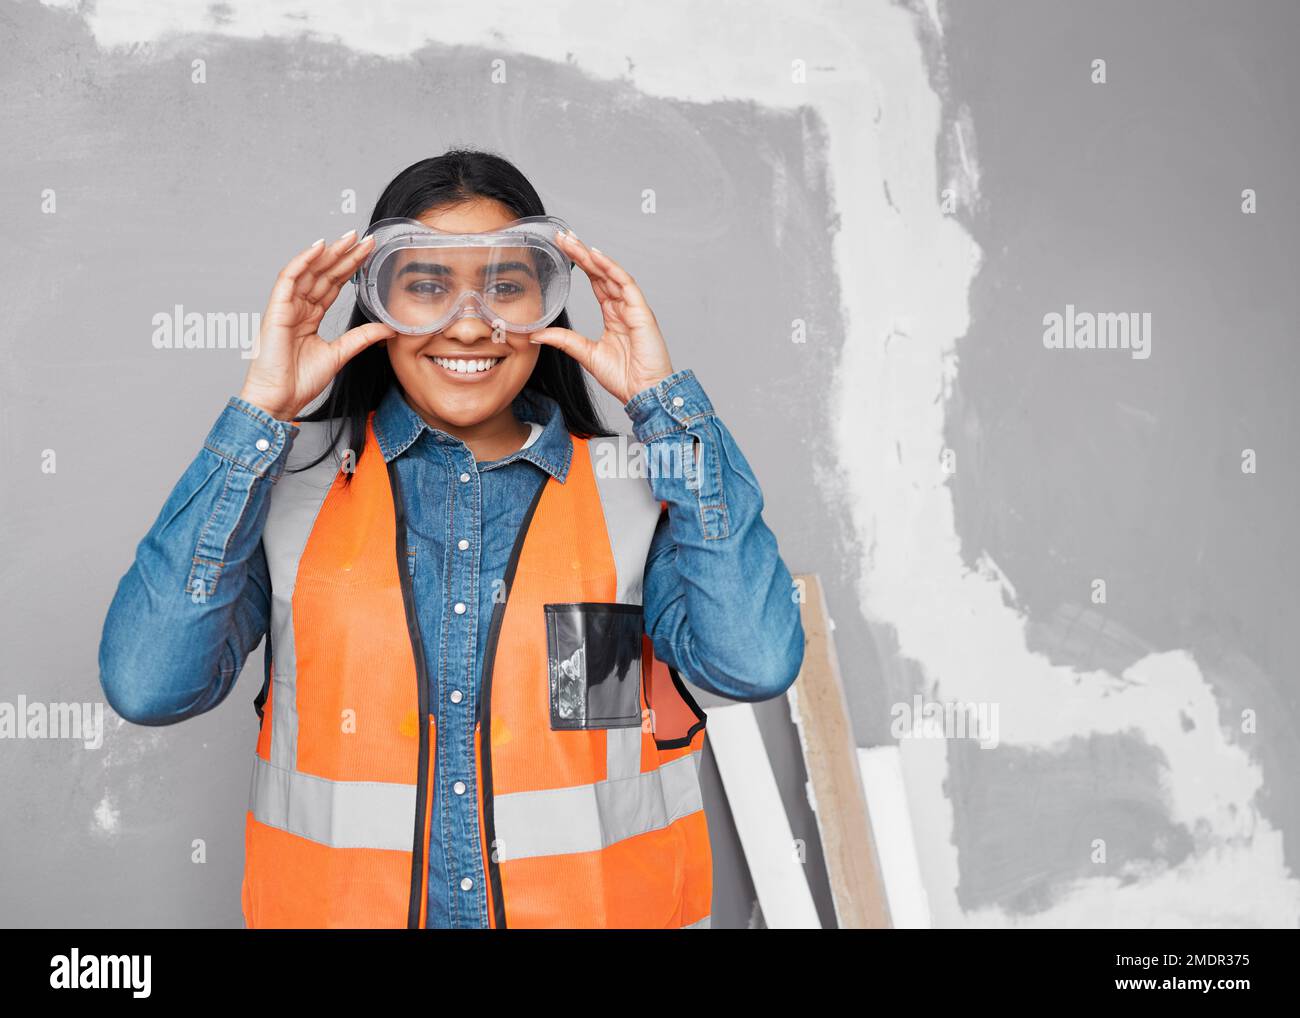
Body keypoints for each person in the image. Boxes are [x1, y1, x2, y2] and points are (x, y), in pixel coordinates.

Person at [99, 149, 805, 929]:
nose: (469, 322)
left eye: (506, 286)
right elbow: (148, 682)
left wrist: (665, 406)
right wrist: (259, 415)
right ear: (378, 309)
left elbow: (755, 660)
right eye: (427, 286)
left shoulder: (637, 485)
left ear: (548, 307)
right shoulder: (288, 480)